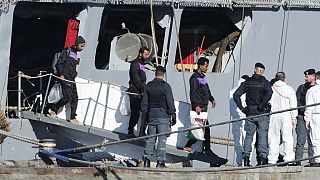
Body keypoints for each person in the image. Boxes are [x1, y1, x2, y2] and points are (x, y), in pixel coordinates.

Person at [233, 62, 273, 166]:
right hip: (261, 113)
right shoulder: (264, 82)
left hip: (249, 112)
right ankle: (261, 159)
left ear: (255, 70)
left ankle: (246, 159)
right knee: (262, 135)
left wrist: (242, 108)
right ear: (262, 71)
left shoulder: (247, 82)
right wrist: (262, 104)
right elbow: (269, 93)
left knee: (249, 136)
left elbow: (236, 95)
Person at [141, 66, 176, 168]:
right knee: (162, 139)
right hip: (163, 116)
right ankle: (160, 162)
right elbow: (170, 102)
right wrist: (173, 114)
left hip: (151, 115)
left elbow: (144, 104)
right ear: (163, 74)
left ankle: (146, 161)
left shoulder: (148, 86)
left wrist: (145, 118)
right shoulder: (165, 86)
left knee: (150, 139)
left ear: (155, 74)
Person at [48, 36, 86, 124]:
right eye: (82, 46)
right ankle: (53, 109)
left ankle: (72, 117)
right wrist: (61, 74)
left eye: (84, 46)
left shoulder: (77, 54)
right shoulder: (66, 51)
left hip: (72, 78)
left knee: (75, 97)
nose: (83, 48)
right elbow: (59, 64)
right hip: (65, 77)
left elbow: (73, 66)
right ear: (76, 45)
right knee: (67, 98)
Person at [183, 57, 216, 155]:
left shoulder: (202, 77)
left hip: (204, 105)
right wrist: (196, 105)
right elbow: (192, 93)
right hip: (199, 106)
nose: (207, 68)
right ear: (200, 65)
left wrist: (211, 98)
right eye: (205, 66)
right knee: (202, 128)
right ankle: (206, 148)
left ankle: (203, 148)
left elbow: (206, 89)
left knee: (202, 128)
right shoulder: (194, 78)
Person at [268, 72, 297, 164]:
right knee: (287, 137)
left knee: (273, 137)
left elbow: (268, 102)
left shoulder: (271, 89)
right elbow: (293, 105)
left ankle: (272, 159)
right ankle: (288, 158)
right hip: (286, 114)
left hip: (274, 114)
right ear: (284, 78)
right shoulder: (289, 89)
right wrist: (293, 117)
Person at [230, 75, 257, 166]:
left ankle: (239, 161)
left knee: (238, 141)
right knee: (249, 140)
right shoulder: (247, 91)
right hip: (246, 118)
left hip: (235, 120)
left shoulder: (231, 92)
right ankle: (246, 160)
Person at [295, 68, 316, 166]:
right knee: (301, 140)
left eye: (307, 76)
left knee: (312, 140)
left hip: (313, 117)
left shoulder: (317, 89)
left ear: (313, 76)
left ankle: (313, 161)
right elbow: (297, 102)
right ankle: (298, 161)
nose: (305, 78)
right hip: (302, 117)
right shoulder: (301, 88)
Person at [127, 47, 150, 137]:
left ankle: (142, 131)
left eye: (147, 54)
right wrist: (143, 90)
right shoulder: (135, 64)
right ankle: (130, 131)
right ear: (140, 54)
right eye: (145, 54)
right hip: (135, 92)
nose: (147, 56)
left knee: (144, 111)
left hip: (140, 92)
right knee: (135, 112)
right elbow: (136, 79)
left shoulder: (142, 64)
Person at [305, 71, 320, 166]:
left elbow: (309, 106)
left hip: (315, 115)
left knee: (316, 139)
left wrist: (307, 119)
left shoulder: (312, 90)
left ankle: (318, 160)